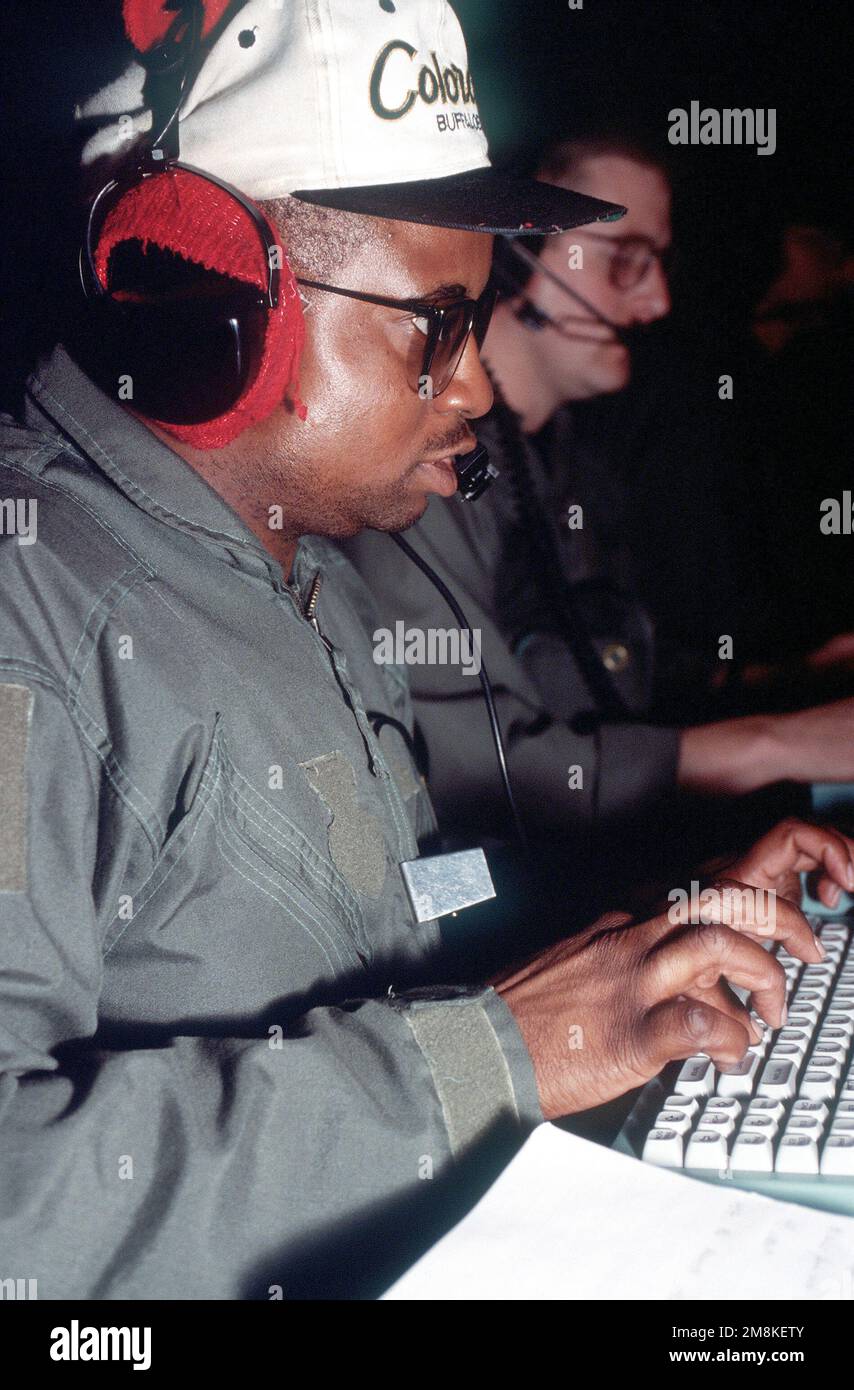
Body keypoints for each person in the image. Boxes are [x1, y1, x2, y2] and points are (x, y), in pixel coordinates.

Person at [0, 1, 849, 1300]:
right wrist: (501, 1053)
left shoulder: (301, 571)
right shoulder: (30, 616)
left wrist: (653, 922)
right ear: (220, 298)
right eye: (437, 325)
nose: (472, 389)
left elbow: (403, 905)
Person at [344, 134, 854, 879]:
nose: (657, 302)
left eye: (659, 264)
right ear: (514, 258)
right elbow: (485, 775)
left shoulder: (561, 455)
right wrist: (771, 743)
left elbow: (596, 667)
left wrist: (786, 680)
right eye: (626, 262)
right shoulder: (419, 475)